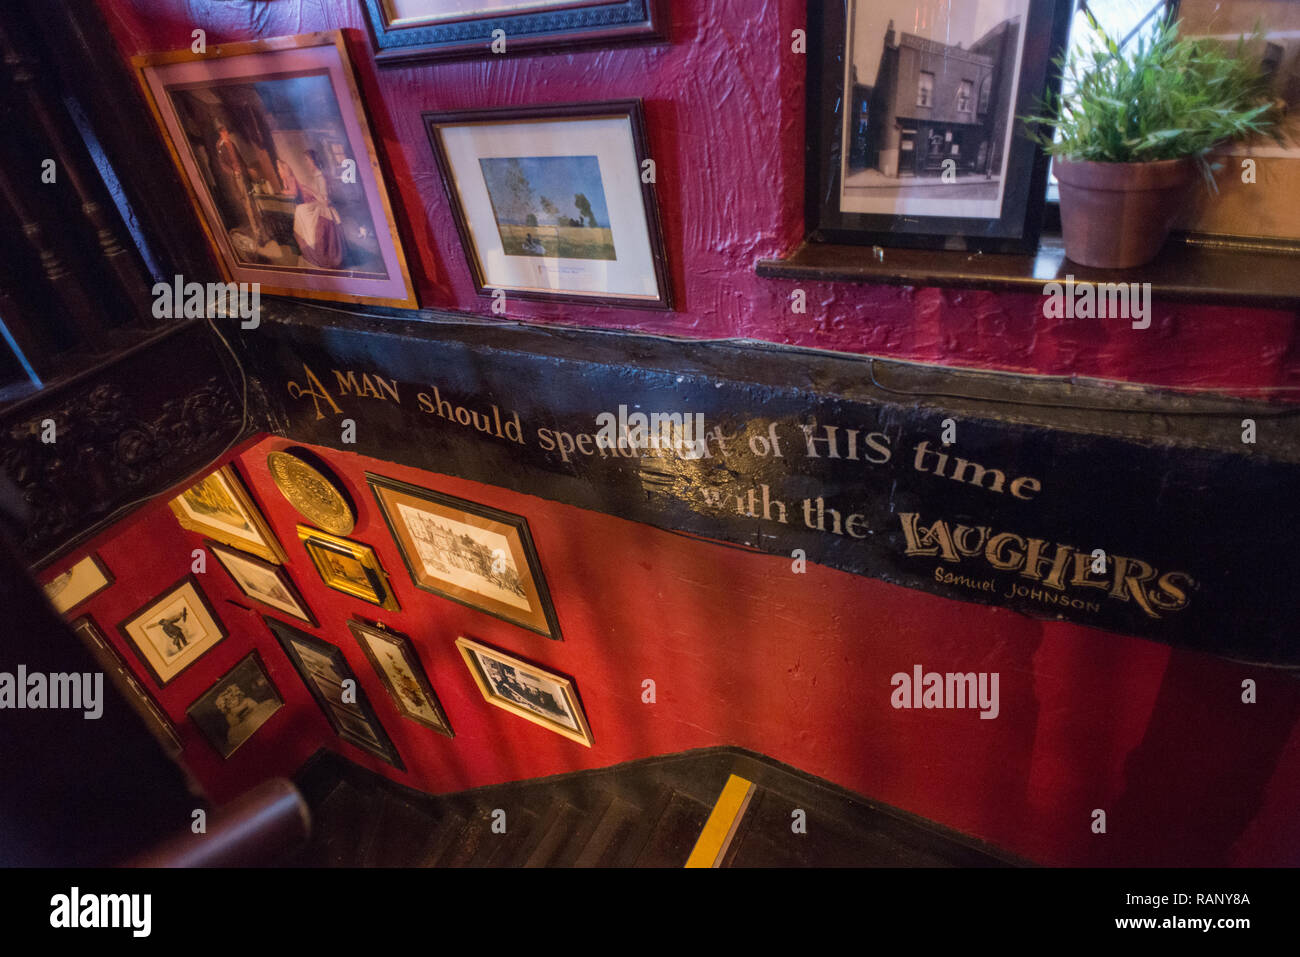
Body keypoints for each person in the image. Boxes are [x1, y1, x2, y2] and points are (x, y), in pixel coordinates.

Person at [278, 150, 344, 268]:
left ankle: (316, 250)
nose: (306, 163)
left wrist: (311, 192)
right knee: (301, 211)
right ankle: (308, 246)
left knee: (301, 211)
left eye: (307, 160)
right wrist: (308, 192)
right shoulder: (314, 175)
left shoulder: (320, 175)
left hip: (323, 205)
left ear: (313, 160)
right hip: (317, 203)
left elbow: (324, 198)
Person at [214, 122, 267, 245]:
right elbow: (223, 165)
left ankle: (261, 232)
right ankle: (258, 234)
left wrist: (247, 170)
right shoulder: (220, 147)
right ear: (220, 134)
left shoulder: (231, 144)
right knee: (247, 204)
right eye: (224, 132)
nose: (226, 134)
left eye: (226, 132)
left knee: (253, 202)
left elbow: (240, 159)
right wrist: (234, 172)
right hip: (237, 179)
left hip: (243, 175)